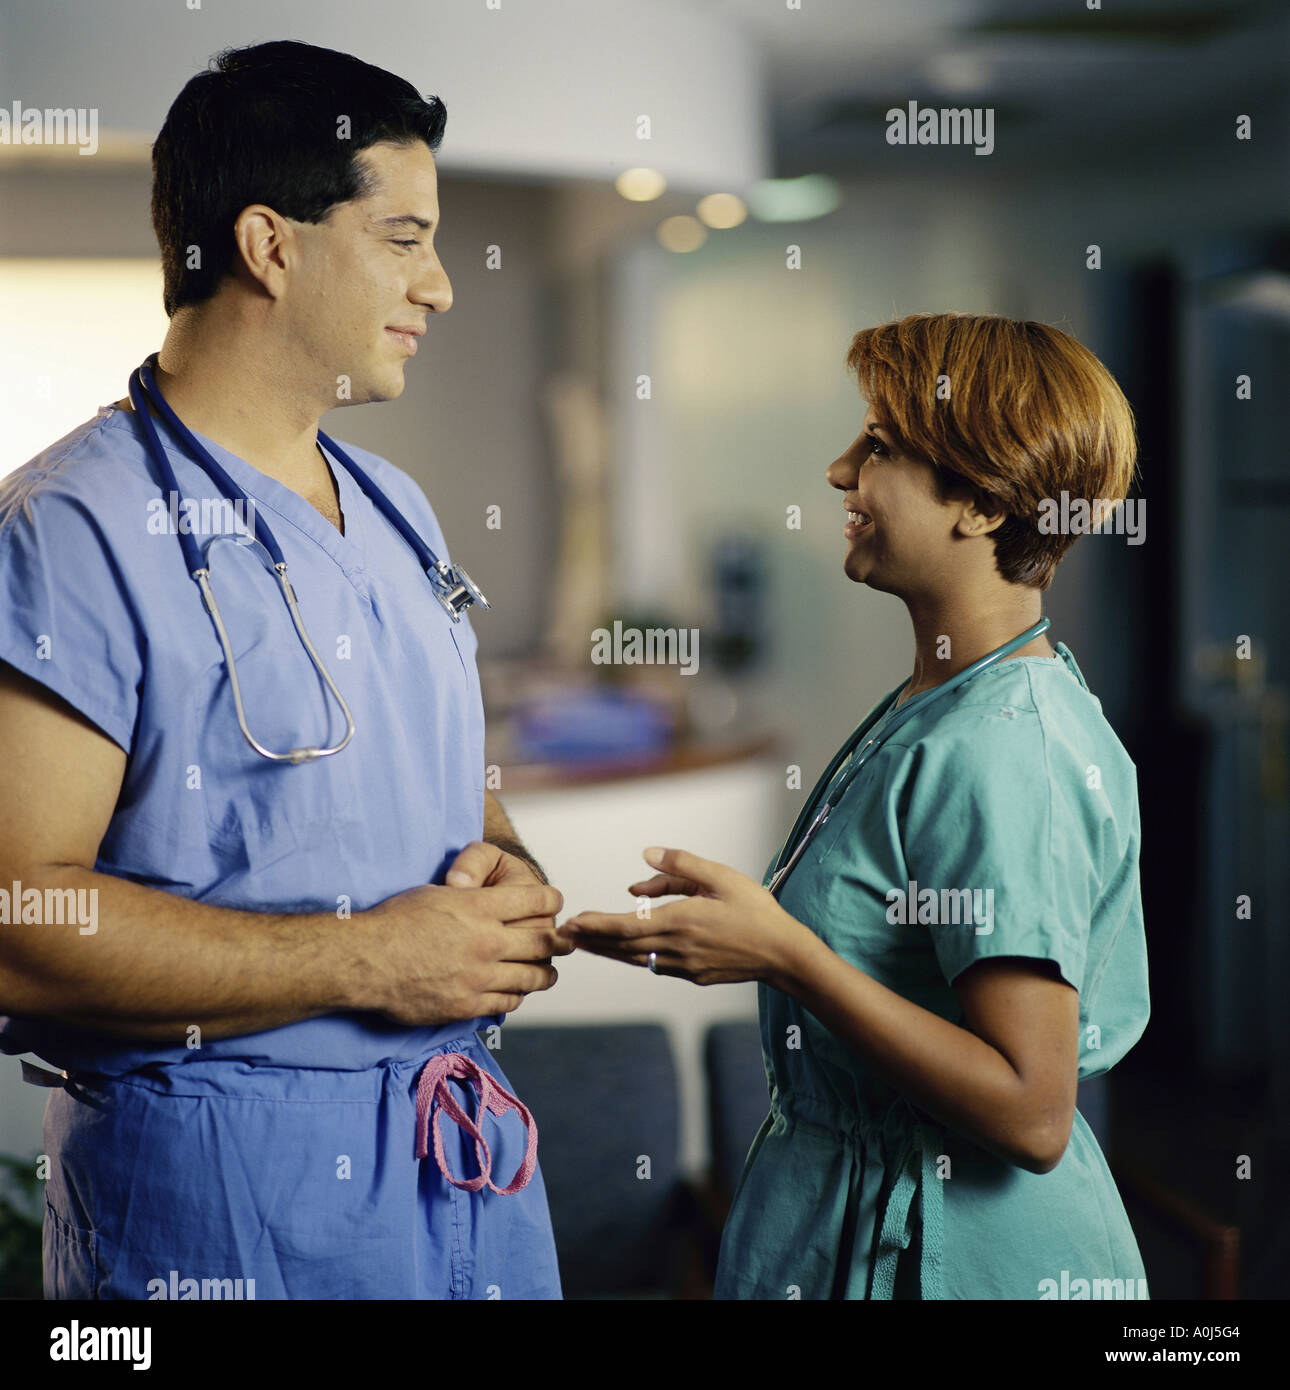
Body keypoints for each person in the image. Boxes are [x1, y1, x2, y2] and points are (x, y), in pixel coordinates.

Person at [0, 40, 572, 1300]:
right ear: (270, 245)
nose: (440, 286)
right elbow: (16, 922)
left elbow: (448, 786)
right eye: (406, 238)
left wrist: (510, 878)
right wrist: (374, 960)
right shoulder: (70, 528)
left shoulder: (397, 506)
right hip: (223, 1206)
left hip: (457, 1170)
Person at [562, 312, 1151, 1300]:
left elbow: (1031, 1111)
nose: (840, 473)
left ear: (983, 501)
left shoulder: (1004, 745)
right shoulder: (943, 701)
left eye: (877, 445)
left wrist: (786, 955)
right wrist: (748, 933)